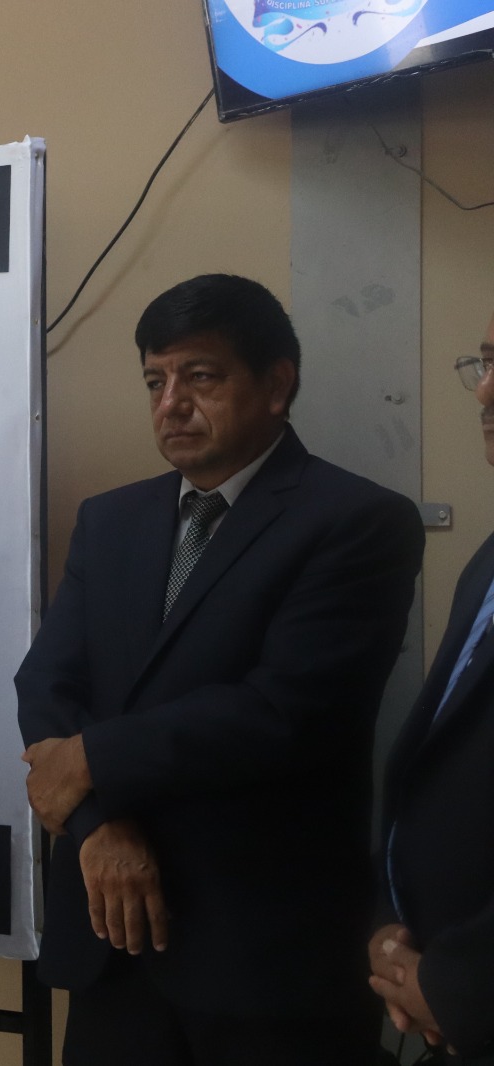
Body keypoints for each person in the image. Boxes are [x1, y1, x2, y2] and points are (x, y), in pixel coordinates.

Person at [15, 274, 424, 1065]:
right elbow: (48, 686)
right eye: (153, 381)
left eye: (200, 376)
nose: (170, 404)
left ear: (277, 384)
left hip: (265, 957)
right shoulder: (112, 519)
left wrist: (94, 760)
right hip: (112, 940)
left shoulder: (356, 522)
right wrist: (100, 826)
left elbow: (288, 710)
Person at [369, 309, 494, 1062]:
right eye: (482, 361)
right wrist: (389, 922)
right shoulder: (486, 560)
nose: (485, 392)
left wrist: (465, 984)